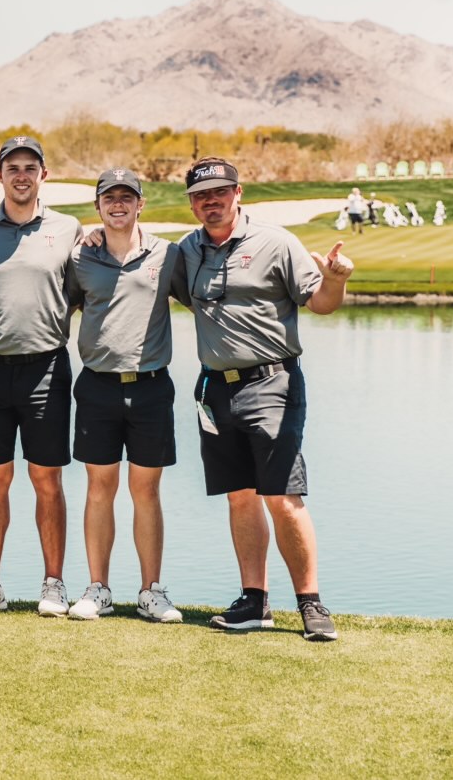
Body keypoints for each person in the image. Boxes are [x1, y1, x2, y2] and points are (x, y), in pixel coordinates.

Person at [180, 157, 352, 641]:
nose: (210, 202)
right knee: (239, 496)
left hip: (271, 383)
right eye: (200, 196)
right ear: (192, 203)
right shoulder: (188, 250)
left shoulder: (276, 242)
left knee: (282, 495)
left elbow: (320, 303)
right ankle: (254, 601)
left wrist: (336, 278)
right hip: (215, 388)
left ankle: (311, 603)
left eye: (219, 193)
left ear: (239, 193)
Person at [0, 136, 81, 619]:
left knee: (47, 478)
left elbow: (78, 293)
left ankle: (53, 584)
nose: (21, 175)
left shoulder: (68, 229)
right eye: (12, 167)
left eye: (30, 167)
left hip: (46, 367)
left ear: (43, 175)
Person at [63, 168, 186, 623]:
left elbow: (203, 297)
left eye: (126, 197)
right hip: (97, 385)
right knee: (100, 488)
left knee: (146, 490)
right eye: (109, 198)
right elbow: (65, 302)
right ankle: (98, 589)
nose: (118, 204)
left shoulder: (167, 255)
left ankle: (151, 591)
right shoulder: (81, 258)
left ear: (141, 203)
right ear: (98, 207)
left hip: (152, 386)